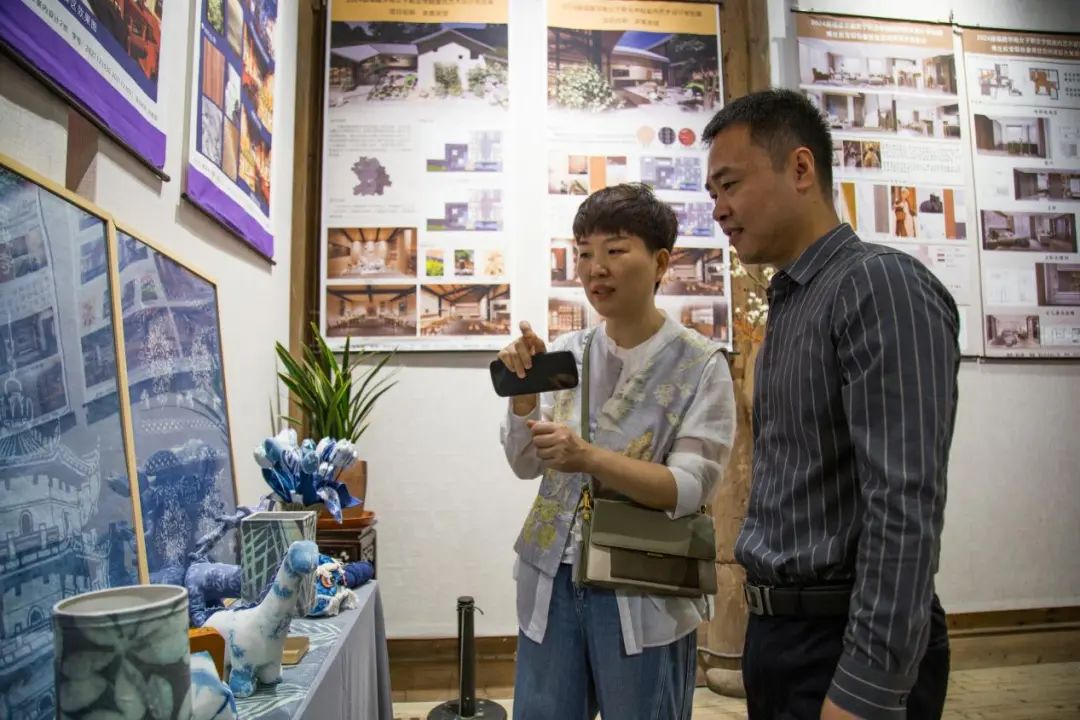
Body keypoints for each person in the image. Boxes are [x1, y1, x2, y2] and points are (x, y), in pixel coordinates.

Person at [702, 89, 959, 719]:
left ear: (799, 168)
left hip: (841, 641)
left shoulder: (878, 284)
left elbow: (903, 501)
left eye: (730, 185)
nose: (720, 210)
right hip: (782, 639)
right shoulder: (793, 301)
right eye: (712, 194)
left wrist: (868, 684)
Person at [498, 183, 735, 719]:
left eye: (614, 250)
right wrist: (523, 399)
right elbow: (523, 463)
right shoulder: (564, 353)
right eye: (583, 253)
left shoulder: (700, 364)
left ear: (661, 263)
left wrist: (589, 457)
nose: (594, 268)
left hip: (644, 583)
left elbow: (690, 488)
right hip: (551, 574)